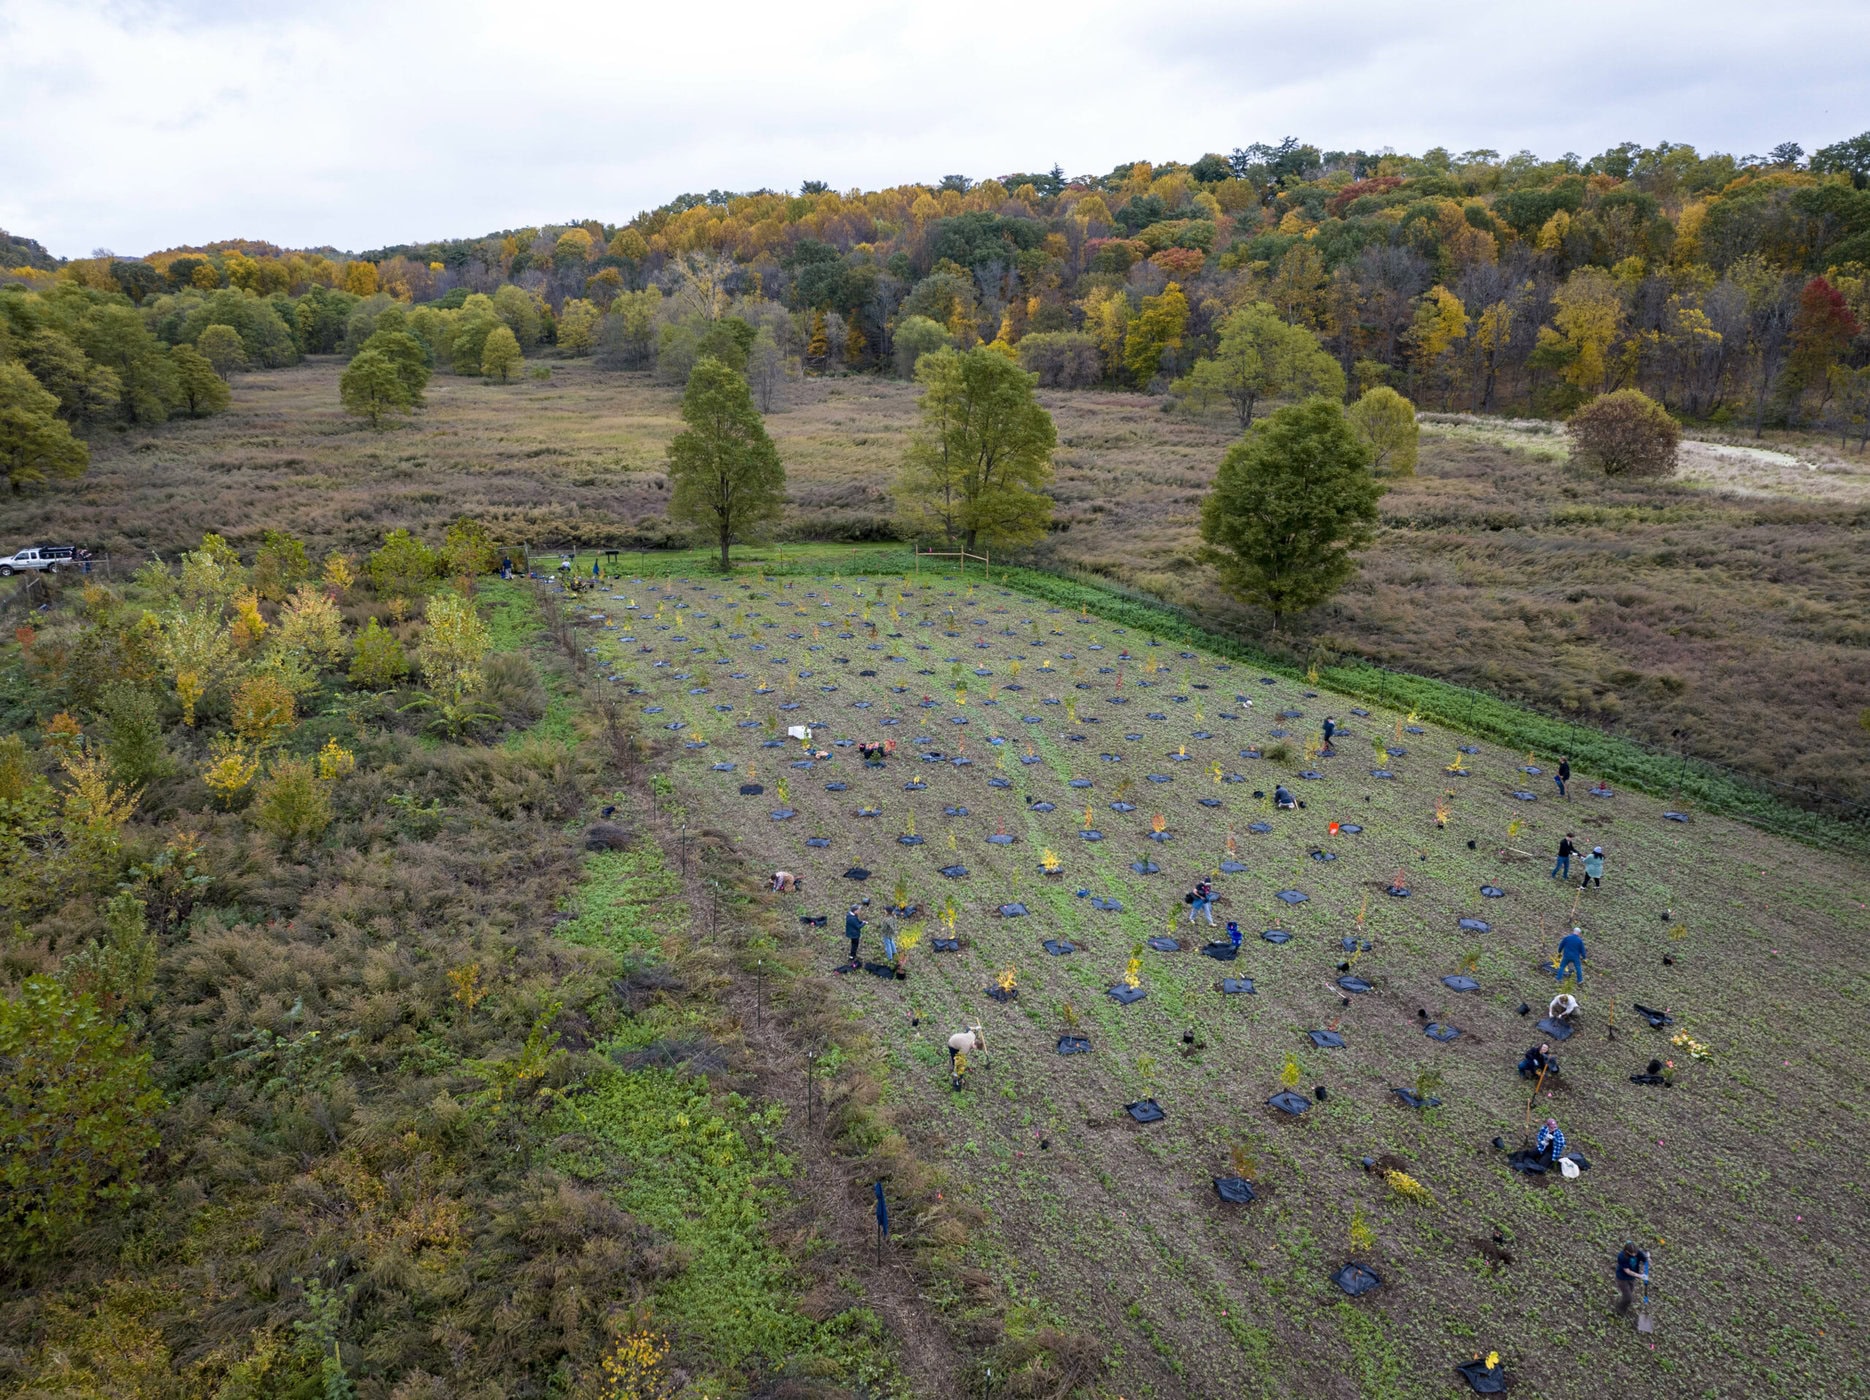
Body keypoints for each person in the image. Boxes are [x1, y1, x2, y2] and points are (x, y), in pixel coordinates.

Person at [1615, 1242, 1650, 1315]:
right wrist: (1640, 1276)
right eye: (1632, 1253)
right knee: (1628, 1298)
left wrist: (1647, 1260)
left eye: (1635, 1253)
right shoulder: (1622, 1256)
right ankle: (1619, 1309)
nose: (1634, 1255)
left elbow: (1644, 1259)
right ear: (1627, 1251)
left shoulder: (1637, 1252)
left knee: (1629, 1293)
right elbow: (1627, 1271)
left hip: (1631, 1278)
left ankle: (1625, 1303)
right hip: (1622, 1278)